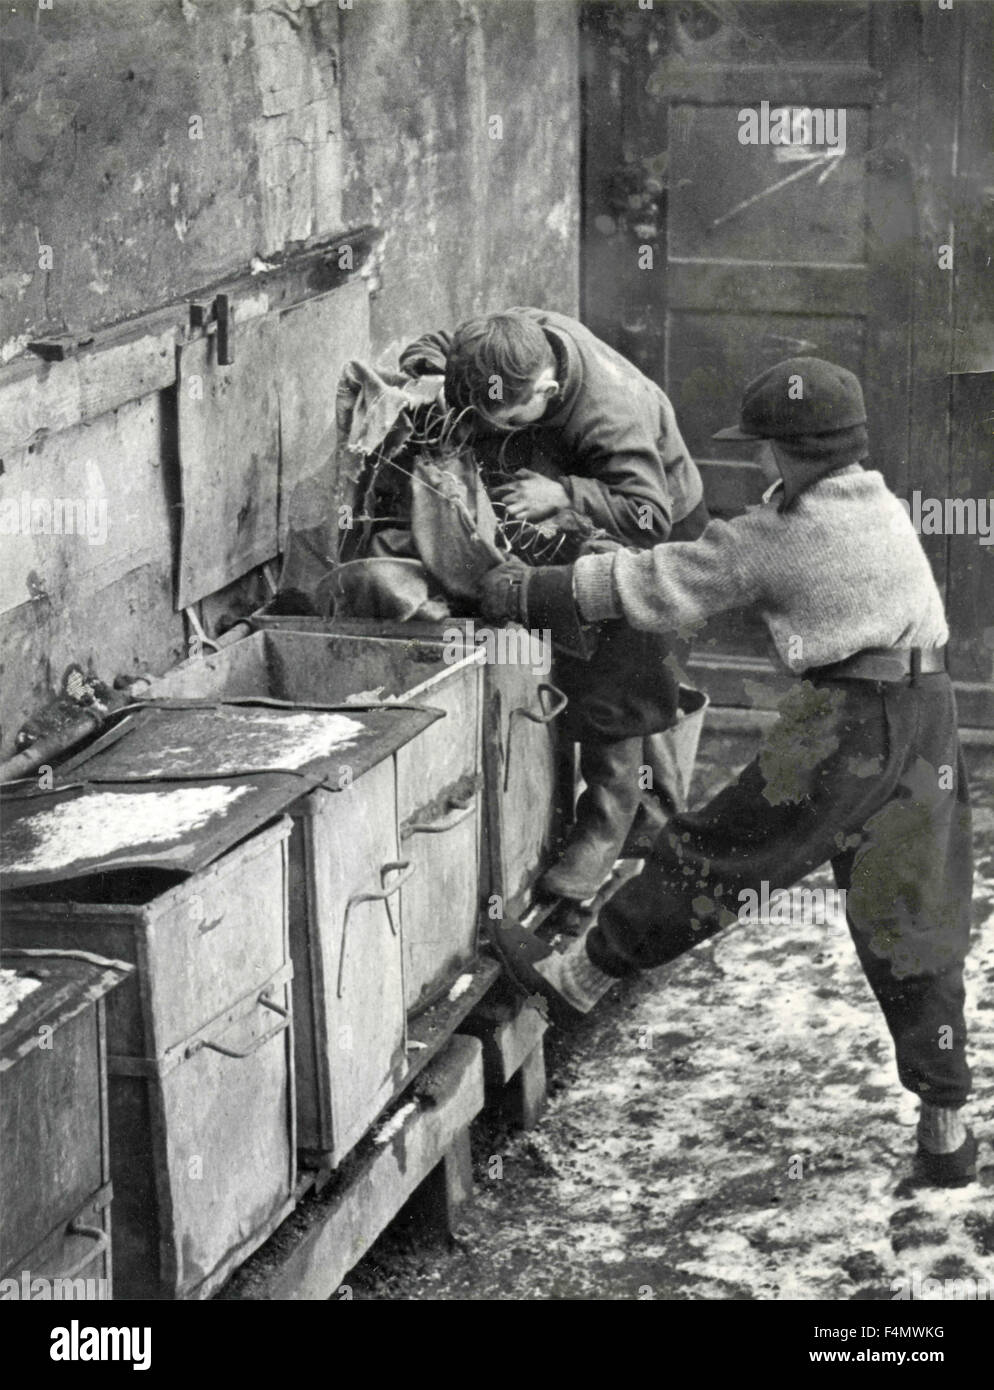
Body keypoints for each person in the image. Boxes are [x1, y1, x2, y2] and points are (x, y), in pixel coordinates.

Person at [481, 356, 977, 1188]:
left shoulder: (775, 536)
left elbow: (658, 582)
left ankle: (577, 978)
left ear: (792, 453)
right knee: (914, 910)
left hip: (849, 721)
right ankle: (945, 1128)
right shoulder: (880, 504)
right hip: (929, 712)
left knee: (715, 851)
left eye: (764, 446)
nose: (756, 460)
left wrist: (530, 592)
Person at [400, 307, 708, 900]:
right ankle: (658, 814)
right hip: (583, 486)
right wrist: (428, 368)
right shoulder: (508, 339)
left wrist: (564, 493)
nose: (490, 430)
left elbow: (648, 515)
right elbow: (439, 342)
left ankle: (608, 822)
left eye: (507, 420)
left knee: (614, 647)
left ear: (546, 389)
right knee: (623, 661)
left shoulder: (607, 415)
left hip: (657, 519)